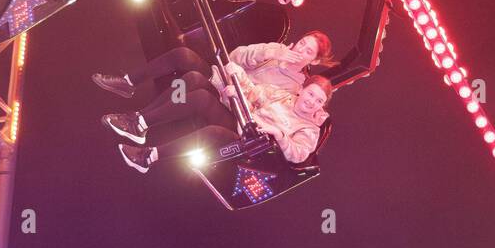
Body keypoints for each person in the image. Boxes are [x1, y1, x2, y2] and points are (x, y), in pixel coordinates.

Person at [104, 67, 331, 173]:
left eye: (319, 101)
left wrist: (279, 134)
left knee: (215, 133)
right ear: (302, 91)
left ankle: (148, 157)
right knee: (202, 96)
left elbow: (298, 154)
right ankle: (139, 123)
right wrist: (235, 79)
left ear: (322, 106)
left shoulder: (310, 129)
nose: (312, 102)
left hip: (254, 147)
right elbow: (254, 92)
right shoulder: (284, 97)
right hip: (242, 121)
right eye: (311, 94)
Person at [92, 31, 334, 105]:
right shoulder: (274, 49)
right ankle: (128, 82)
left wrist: (239, 81)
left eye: (308, 51)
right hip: (222, 77)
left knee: (195, 79)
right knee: (184, 55)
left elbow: (261, 101)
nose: (300, 49)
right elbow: (235, 56)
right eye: (302, 43)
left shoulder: (296, 87)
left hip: (233, 100)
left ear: (313, 61)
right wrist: (267, 52)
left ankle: (142, 118)